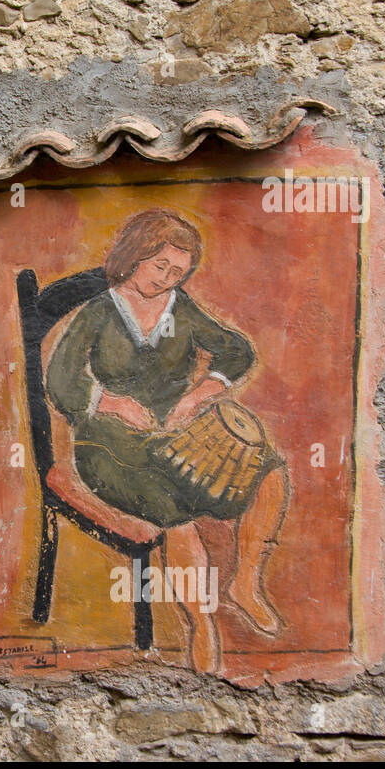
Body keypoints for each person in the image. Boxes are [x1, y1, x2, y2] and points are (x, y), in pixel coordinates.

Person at [44, 208, 288, 672]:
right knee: (173, 510)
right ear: (134, 256)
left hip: (175, 436)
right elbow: (60, 380)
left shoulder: (181, 308)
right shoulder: (100, 312)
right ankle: (201, 628)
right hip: (110, 446)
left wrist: (203, 390)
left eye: (178, 272)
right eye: (160, 267)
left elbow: (238, 350)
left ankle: (246, 584)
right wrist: (111, 403)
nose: (167, 279)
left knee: (269, 471)